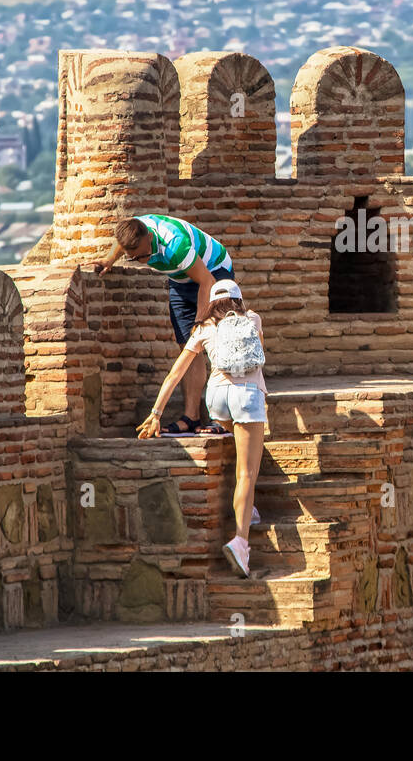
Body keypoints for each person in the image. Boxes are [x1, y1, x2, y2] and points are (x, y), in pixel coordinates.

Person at [136, 278, 267, 578]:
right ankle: (241, 542)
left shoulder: (204, 329)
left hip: (217, 400)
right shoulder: (253, 318)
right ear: (238, 300)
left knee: (234, 446)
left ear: (211, 303)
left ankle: (248, 506)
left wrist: (156, 413)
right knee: (247, 473)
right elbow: (258, 357)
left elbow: (175, 373)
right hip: (247, 396)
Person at [93, 214, 234, 433]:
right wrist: (109, 260)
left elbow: (207, 281)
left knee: (220, 344)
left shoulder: (175, 244)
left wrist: (199, 321)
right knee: (188, 348)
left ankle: (223, 420)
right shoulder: (132, 232)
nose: (143, 261)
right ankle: (191, 418)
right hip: (180, 279)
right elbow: (121, 244)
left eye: (144, 255)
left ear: (150, 237)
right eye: (134, 258)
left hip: (213, 271)